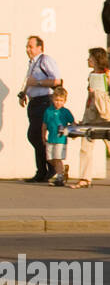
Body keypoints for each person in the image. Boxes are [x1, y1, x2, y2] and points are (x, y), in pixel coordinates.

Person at [71, 48, 110, 189]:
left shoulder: (108, 74)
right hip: (92, 113)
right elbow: (89, 97)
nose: (88, 60)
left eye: (90, 57)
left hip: (105, 113)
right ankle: (85, 178)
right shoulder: (91, 74)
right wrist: (85, 114)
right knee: (86, 145)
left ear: (97, 59)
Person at [19, 35, 62, 182]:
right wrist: (24, 93)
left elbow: (57, 80)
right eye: (27, 46)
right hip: (34, 102)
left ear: (40, 48)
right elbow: (29, 81)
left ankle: (51, 168)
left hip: (44, 102)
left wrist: (37, 83)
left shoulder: (45, 60)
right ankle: (43, 171)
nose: (28, 49)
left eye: (31, 46)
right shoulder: (32, 63)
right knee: (36, 136)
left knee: (35, 135)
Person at [42, 87, 76, 187]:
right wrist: (43, 136)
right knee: (50, 159)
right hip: (51, 138)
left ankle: (60, 177)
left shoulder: (65, 112)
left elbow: (73, 123)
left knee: (57, 158)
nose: (58, 102)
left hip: (61, 140)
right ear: (53, 99)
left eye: (61, 100)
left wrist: (74, 132)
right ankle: (63, 169)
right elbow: (44, 125)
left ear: (65, 101)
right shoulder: (48, 111)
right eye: (56, 100)